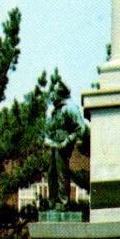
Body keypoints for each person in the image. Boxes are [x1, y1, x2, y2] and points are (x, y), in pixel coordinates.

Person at [43, 82, 83, 211]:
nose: (52, 95)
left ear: (60, 94)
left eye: (55, 93)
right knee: (51, 172)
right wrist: (47, 138)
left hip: (63, 145)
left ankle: (63, 202)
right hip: (53, 144)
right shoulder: (56, 110)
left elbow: (80, 128)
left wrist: (67, 141)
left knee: (62, 172)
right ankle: (53, 201)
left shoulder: (70, 107)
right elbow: (49, 128)